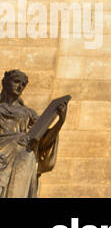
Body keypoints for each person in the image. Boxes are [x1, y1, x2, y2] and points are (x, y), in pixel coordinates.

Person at [0, 69, 66, 198]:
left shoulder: (28, 113)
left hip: (20, 156)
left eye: (23, 84)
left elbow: (43, 138)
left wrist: (60, 121)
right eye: (16, 81)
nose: (20, 86)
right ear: (5, 83)